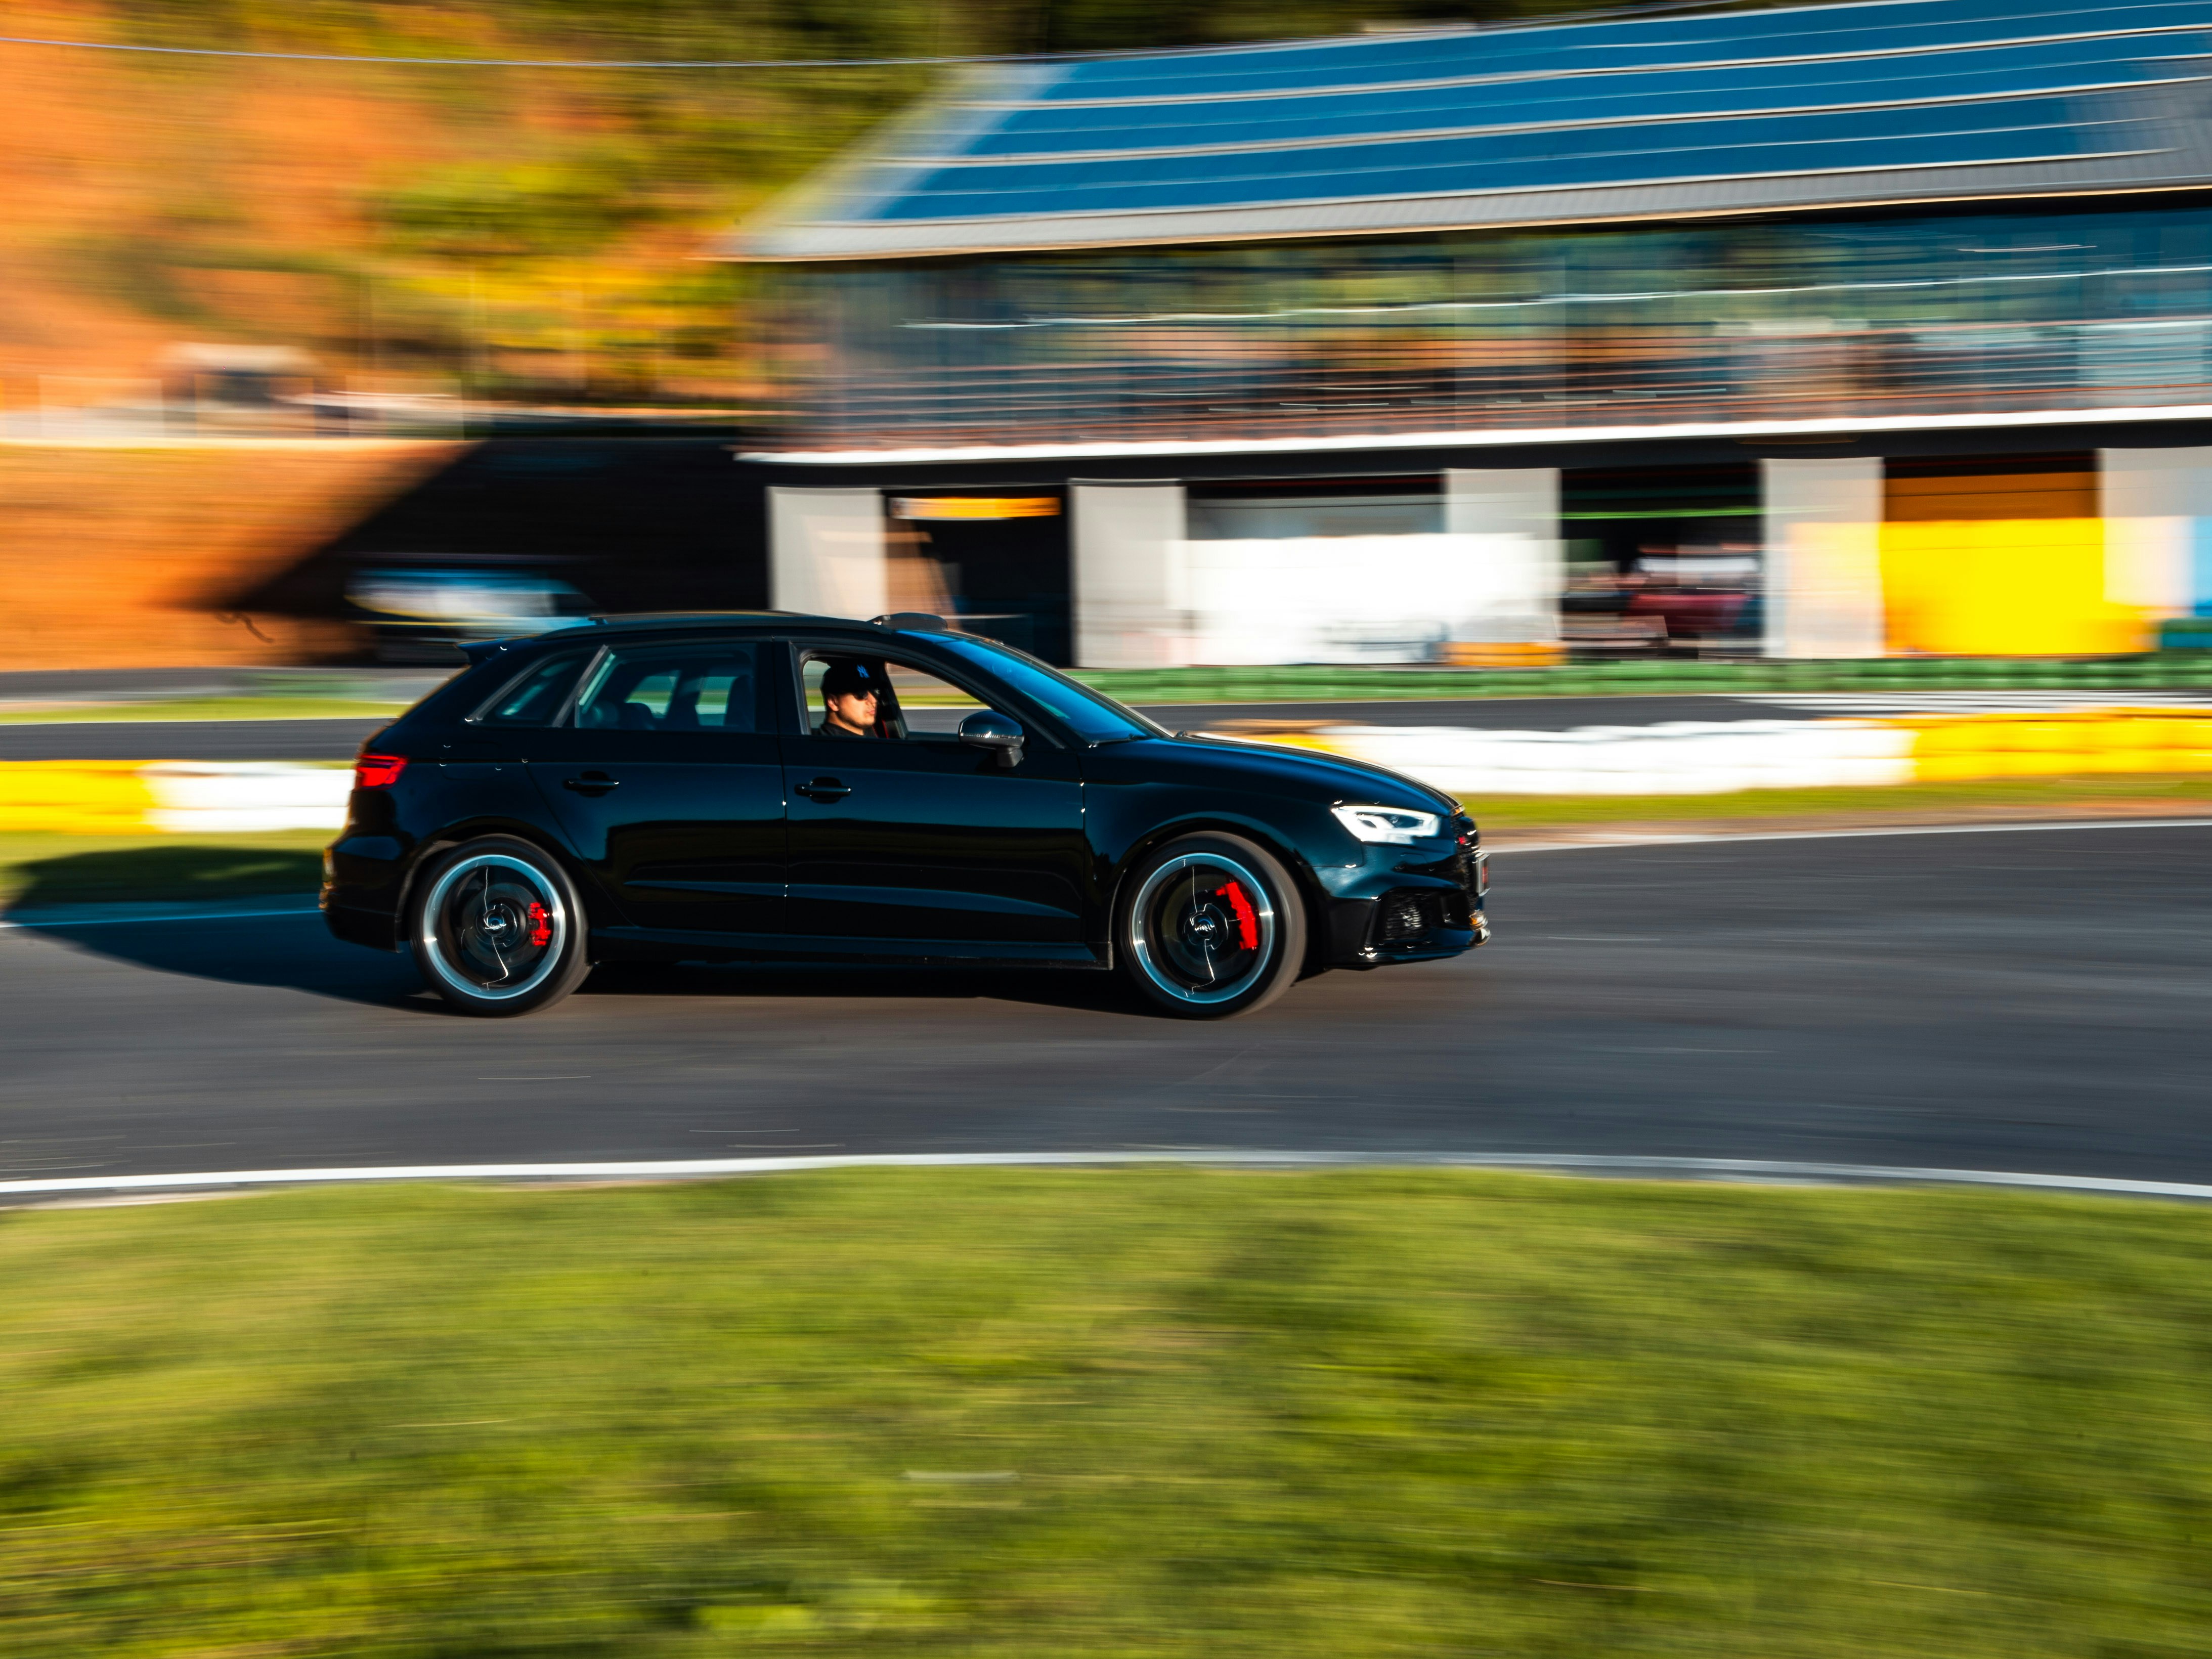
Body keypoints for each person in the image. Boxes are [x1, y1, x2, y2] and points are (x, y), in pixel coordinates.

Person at [814, 658, 885, 737]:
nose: (874, 700)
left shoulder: (869, 733)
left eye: (874, 691)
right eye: (861, 693)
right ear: (833, 702)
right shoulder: (830, 747)